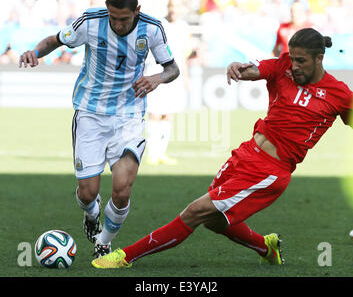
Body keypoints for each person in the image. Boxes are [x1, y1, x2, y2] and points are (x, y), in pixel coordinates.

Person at [91, 28, 353, 268]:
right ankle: (266, 246)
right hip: (247, 153)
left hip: (271, 170)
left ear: (319, 59)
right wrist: (237, 68)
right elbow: (256, 70)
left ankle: (125, 257)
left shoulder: (339, 94)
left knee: (195, 212)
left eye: (302, 61)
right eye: (293, 59)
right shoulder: (284, 65)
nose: (295, 66)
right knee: (212, 220)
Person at [18, 0, 180, 258]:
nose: (117, 24)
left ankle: (104, 241)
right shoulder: (90, 22)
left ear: (137, 11)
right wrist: (35, 52)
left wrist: (156, 79)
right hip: (90, 114)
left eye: (124, 19)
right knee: (87, 193)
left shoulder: (152, 29)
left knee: (122, 189)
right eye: (113, 17)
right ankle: (91, 214)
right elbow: (55, 40)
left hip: (129, 115)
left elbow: (172, 68)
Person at [145, 0, 192, 166]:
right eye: (171, 5)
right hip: (157, 72)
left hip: (176, 74)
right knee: (155, 113)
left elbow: (184, 55)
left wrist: (186, 77)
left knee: (168, 114)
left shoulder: (184, 28)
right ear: (168, 6)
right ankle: (152, 153)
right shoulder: (159, 24)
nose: (174, 9)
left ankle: (162, 153)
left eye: (177, 6)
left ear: (182, 8)